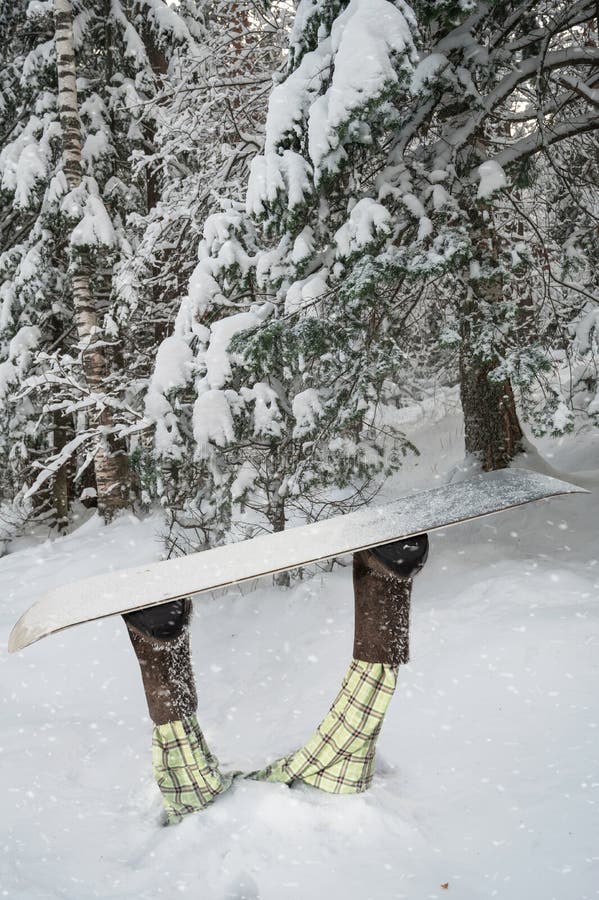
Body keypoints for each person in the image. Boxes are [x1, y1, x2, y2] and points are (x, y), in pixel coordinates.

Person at [124, 534, 429, 824]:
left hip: (261, 824)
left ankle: (158, 641)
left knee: (189, 790)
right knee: (348, 746)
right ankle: (385, 582)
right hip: (324, 803)